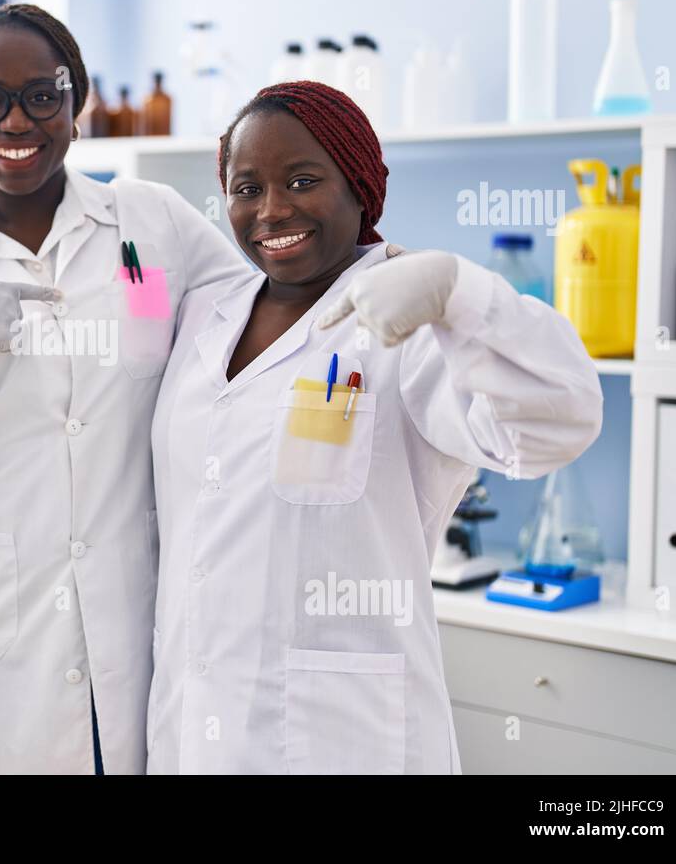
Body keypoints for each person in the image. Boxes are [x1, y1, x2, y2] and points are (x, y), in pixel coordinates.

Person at [146, 81, 603, 774]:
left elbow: (557, 423)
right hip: (194, 728)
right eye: (246, 188)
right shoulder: (204, 315)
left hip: (345, 741)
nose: (272, 210)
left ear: (360, 189)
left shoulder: (409, 328)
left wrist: (461, 292)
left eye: (303, 180)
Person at [0, 4, 248, 774]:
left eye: (43, 93)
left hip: (132, 638)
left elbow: (252, 330)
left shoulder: (150, 222)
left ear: (77, 100)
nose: (16, 119)